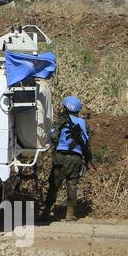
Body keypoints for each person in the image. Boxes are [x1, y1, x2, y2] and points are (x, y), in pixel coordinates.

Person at [42, 95, 91, 223]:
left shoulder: (62, 120)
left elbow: (53, 136)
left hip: (62, 156)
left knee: (54, 184)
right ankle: (70, 214)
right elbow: (87, 141)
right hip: (76, 157)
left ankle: (46, 212)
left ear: (66, 107)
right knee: (72, 184)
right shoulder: (83, 123)